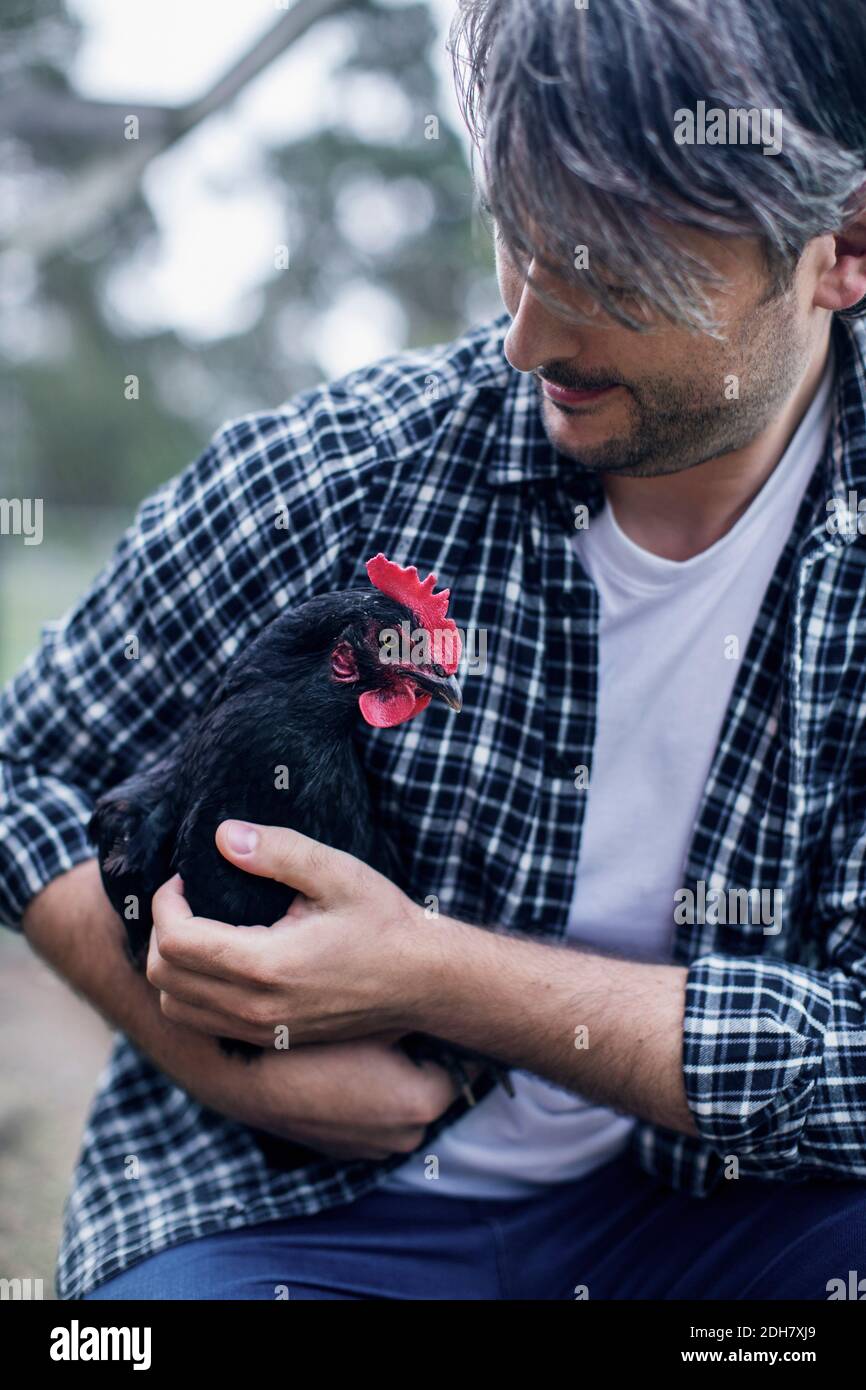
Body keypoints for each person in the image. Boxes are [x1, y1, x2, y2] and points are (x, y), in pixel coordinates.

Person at [4, 0, 866, 1300]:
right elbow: (20, 768)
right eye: (513, 237)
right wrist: (212, 1054)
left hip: (733, 1217)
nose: (526, 333)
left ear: (838, 248)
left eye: (615, 276)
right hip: (295, 1197)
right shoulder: (342, 466)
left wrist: (435, 973)